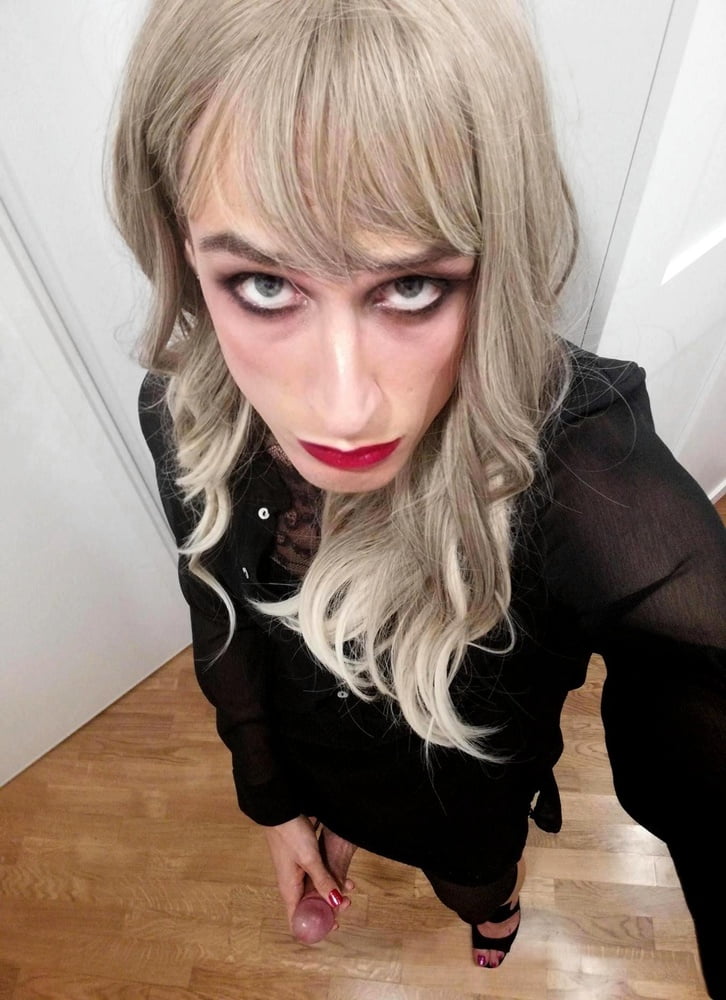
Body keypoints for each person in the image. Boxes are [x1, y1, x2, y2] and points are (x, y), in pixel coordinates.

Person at [111, 0, 726, 991]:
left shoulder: (580, 476)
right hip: (320, 765)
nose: (343, 406)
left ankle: (494, 909)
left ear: (493, 259)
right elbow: (215, 611)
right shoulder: (187, 413)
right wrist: (272, 801)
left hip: (463, 797)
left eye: (409, 288)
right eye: (263, 284)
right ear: (183, 251)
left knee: (473, 882)